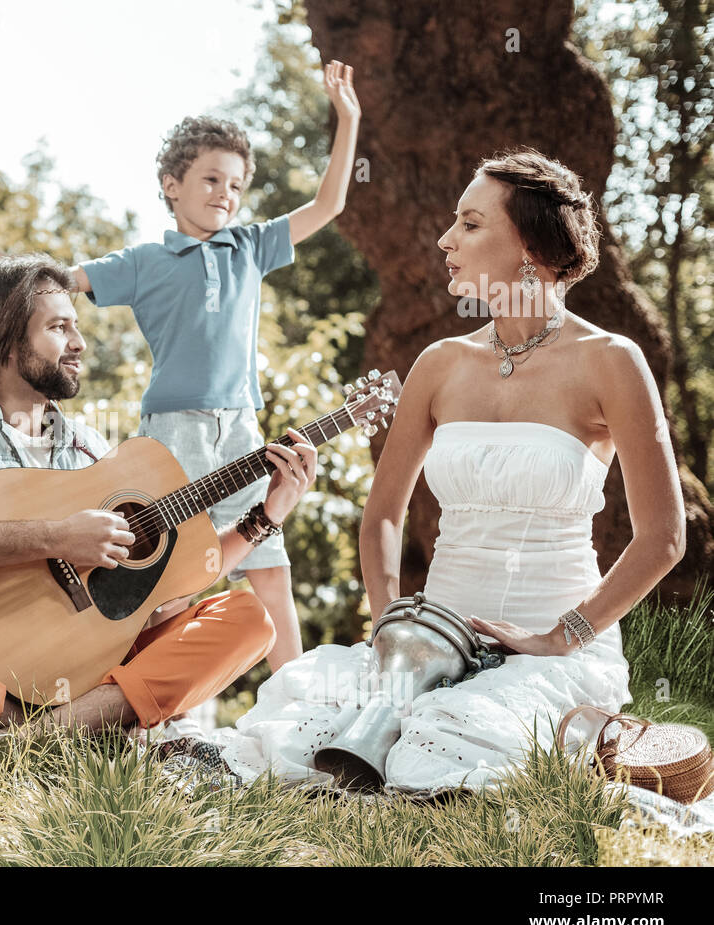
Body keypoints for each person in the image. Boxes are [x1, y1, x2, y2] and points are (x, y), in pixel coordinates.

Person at [216, 148, 686, 792]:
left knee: (432, 758)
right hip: (423, 643)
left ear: (529, 246)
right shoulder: (438, 364)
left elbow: (663, 536)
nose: (446, 240)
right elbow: (383, 514)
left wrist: (562, 636)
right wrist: (389, 630)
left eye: (470, 224)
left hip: (551, 650)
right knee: (303, 742)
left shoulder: (611, 360)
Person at [0, 61, 362, 674]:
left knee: (267, 556)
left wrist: (349, 118)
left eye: (235, 185)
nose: (225, 194)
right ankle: (145, 695)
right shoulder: (144, 260)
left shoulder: (252, 246)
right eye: (210, 178)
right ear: (171, 184)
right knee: (167, 572)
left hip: (238, 426)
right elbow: (44, 284)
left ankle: (298, 702)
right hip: (172, 432)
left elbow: (330, 201)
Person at [0, 254, 319, 745]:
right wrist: (56, 538)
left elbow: (165, 587)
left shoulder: (91, 447)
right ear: (3, 338)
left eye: (76, 327)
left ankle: (25, 741)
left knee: (248, 619)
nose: (80, 343)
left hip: (78, 673)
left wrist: (266, 516)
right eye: (59, 327)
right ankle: (55, 724)